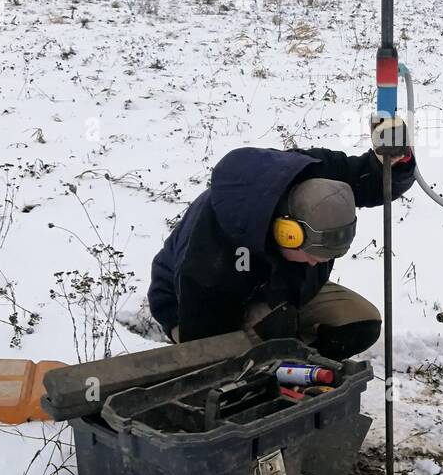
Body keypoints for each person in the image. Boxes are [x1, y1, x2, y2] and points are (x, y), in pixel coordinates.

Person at [148, 125, 414, 360]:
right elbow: (205, 350)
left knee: (358, 323)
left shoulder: (316, 175)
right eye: (311, 255)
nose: (316, 263)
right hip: (193, 305)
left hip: (281, 286)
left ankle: (295, 363)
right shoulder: (212, 256)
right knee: (240, 364)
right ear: (287, 232)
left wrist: (391, 162)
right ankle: (273, 364)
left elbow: (366, 180)